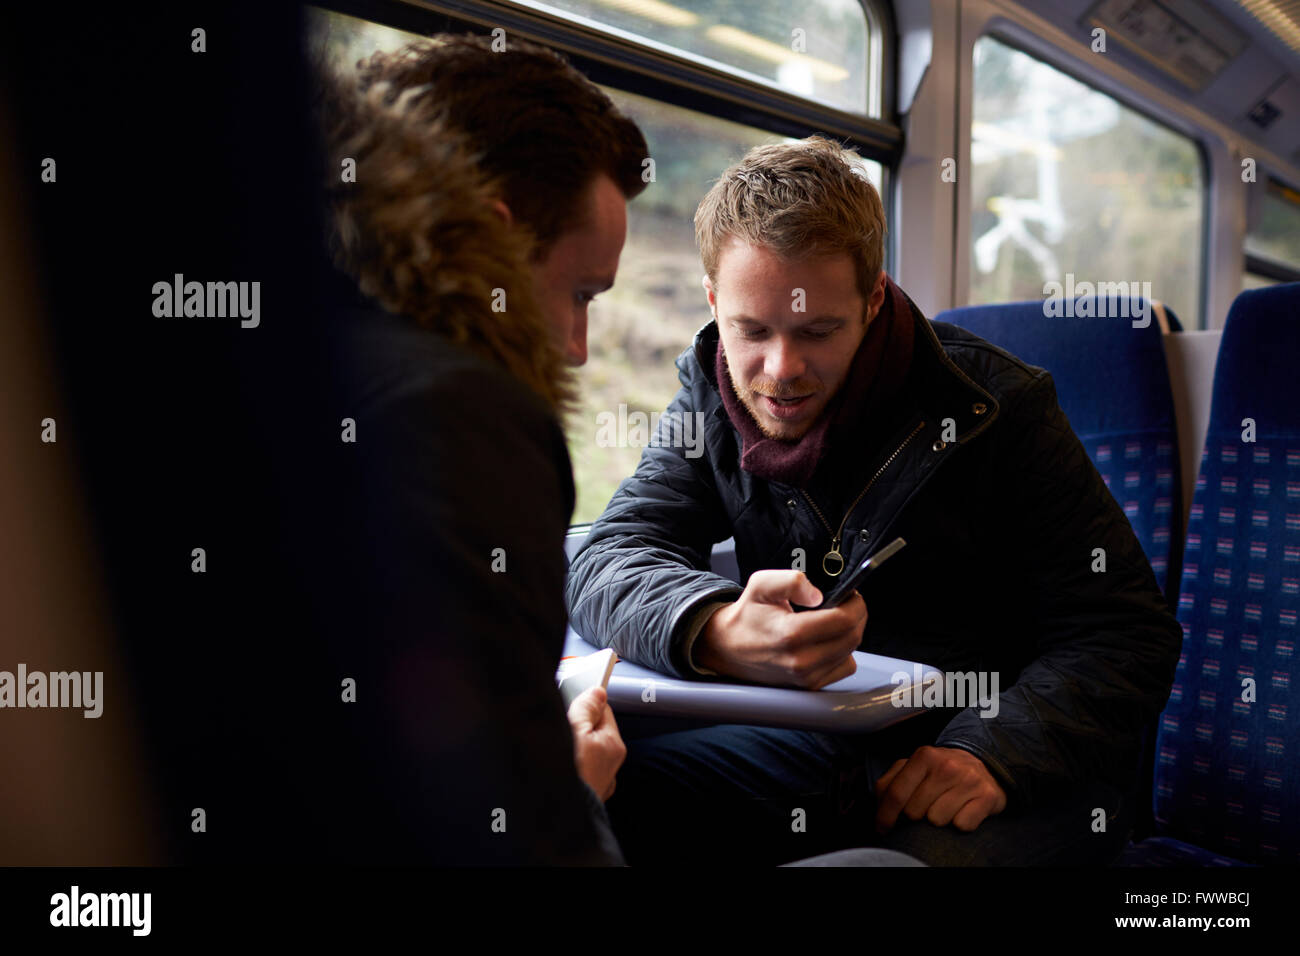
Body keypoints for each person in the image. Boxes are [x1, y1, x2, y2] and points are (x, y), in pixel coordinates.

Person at [564, 136, 1183, 866]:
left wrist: (992, 750)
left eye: (818, 331)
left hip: (1002, 762)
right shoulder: (709, 395)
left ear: (874, 298)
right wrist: (716, 625)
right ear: (712, 301)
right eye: (751, 330)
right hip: (814, 747)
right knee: (583, 804)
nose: (780, 370)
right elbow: (612, 551)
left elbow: (1124, 632)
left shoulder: (997, 406)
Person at [312, 33, 647, 864]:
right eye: (578, 294)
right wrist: (576, 787)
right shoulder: (463, 413)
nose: (576, 347)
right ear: (497, 239)